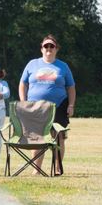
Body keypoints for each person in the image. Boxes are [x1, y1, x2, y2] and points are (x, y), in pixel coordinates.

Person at [18, 34, 75, 174]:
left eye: (52, 46)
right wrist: (23, 101)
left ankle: (57, 168)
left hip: (58, 106)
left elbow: (71, 87)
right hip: (35, 107)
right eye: (46, 46)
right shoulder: (32, 64)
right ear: (41, 49)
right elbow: (22, 84)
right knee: (37, 138)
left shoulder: (63, 66)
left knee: (59, 137)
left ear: (56, 49)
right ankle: (36, 170)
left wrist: (71, 105)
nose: (49, 48)